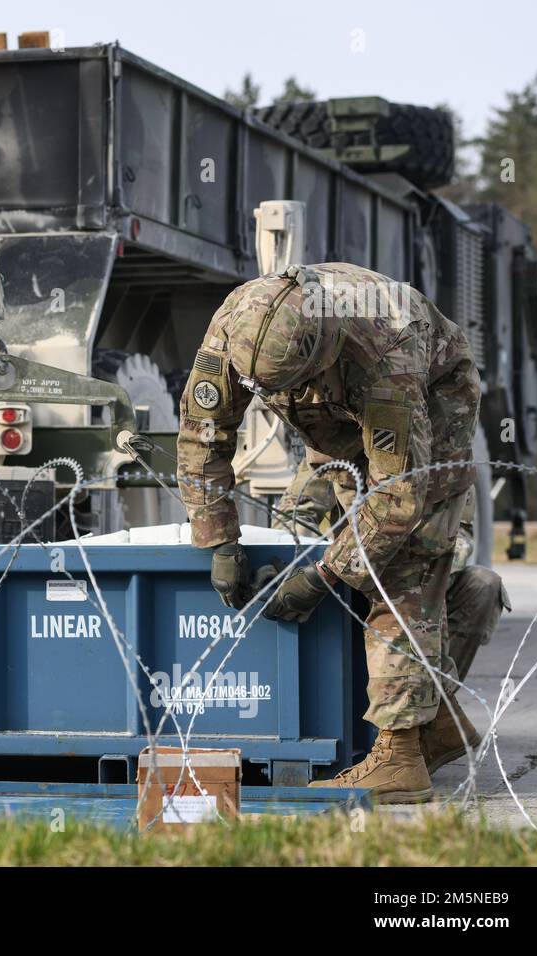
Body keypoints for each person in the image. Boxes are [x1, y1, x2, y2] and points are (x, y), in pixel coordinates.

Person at [177, 263, 480, 802]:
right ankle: (440, 724)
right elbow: (205, 435)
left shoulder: (387, 354)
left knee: (402, 561)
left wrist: (326, 575)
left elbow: (399, 493)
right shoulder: (235, 327)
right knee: (306, 523)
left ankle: (400, 754)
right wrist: (218, 536)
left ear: (317, 357)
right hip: (334, 412)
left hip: (433, 398)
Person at [274, 462, 510, 772]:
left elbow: (457, 541)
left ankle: (428, 719)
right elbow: (295, 517)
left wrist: (405, 576)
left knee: (482, 586)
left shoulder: (446, 452)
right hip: (351, 581)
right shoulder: (341, 439)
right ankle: (411, 724)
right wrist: (305, 570)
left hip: (409, 578)